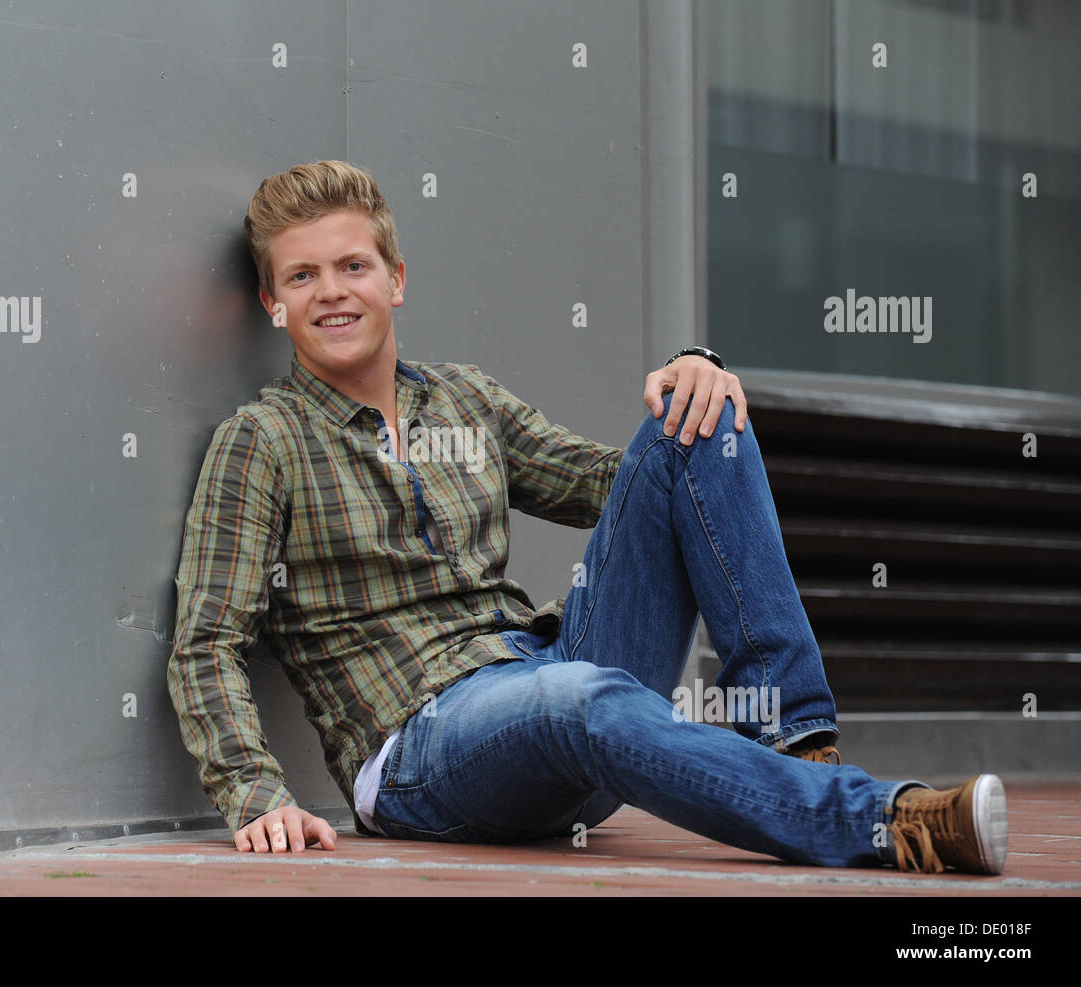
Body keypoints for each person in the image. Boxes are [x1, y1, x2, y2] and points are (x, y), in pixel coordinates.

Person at [166, 159, 1008, 875]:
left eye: (351, 266)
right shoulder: (262, 441)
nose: (331, 293)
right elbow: (208, 641)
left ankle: (791, 735)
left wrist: (698, 369)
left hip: (547, 680)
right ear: (274, 304)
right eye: (301, 277)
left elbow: (632, 482)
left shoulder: (463, 399)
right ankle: (876, 821)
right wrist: (254, 788)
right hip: (423, 750)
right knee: (580, 695)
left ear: (396, 278)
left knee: (696, 416)